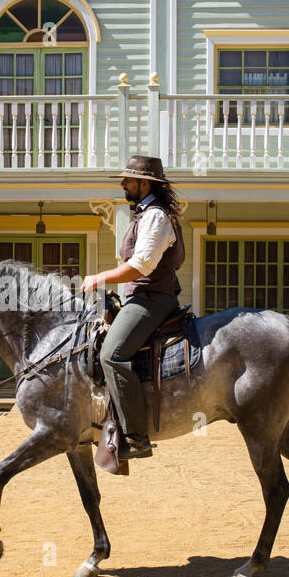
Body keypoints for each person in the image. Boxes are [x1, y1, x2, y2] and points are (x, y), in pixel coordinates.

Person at [81, 156, 185, 460]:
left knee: (111, 355)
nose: (122, 184)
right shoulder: (144, 214)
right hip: (142, 297)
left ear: (145, 183)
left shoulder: (155, 216)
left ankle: (137, 438)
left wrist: (99, 277)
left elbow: (140, 266)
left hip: (152, 300)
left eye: (128, 179)